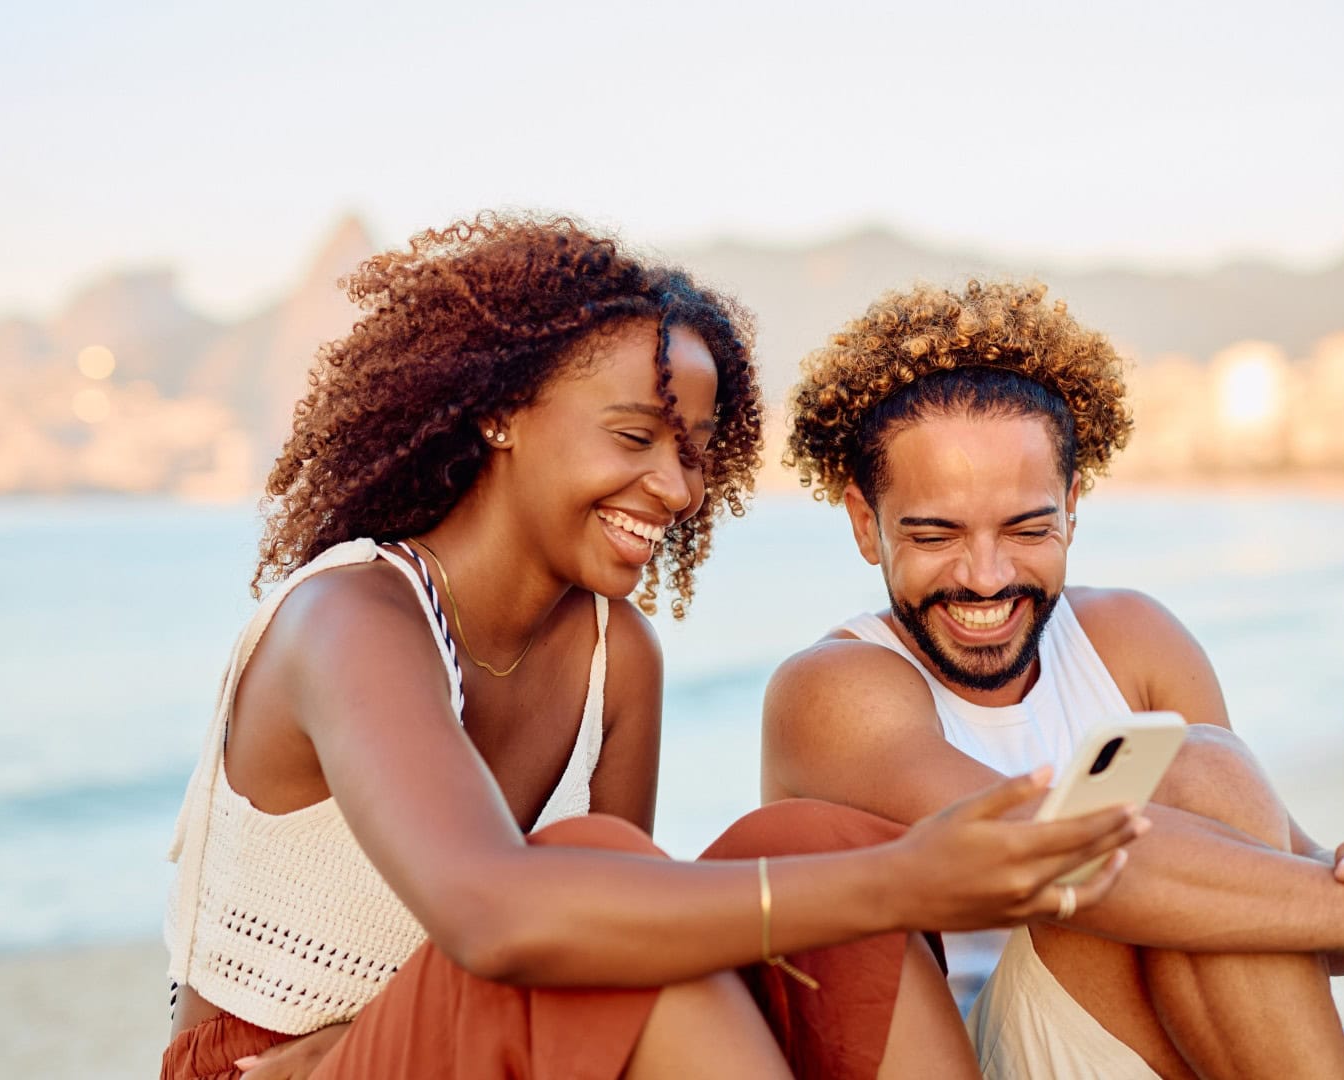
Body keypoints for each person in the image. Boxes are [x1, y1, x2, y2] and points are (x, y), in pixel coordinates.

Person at [158, 218, 1148, 1080]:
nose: (676, 490)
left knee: (808, 842)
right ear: (498, 413)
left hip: (480, 1029)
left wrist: (875, 877)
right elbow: (505, 919)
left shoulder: (615, 655)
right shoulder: (351, 618)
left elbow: (602, 922)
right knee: (595, 870)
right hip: (272, 1068)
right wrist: (911, 880)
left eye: (694, 451)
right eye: (635, 438)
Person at [764, 279, 1344, 1079]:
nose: (986, 576)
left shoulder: (1133, 637)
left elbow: (1290, 891)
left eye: (1028, 528)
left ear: (1073, 503)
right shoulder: (836, 690)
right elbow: (1060, 865)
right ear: (864, 524)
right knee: (1189, 772)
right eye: (935, 535)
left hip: (1241, 1048)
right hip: (1025, 1060)